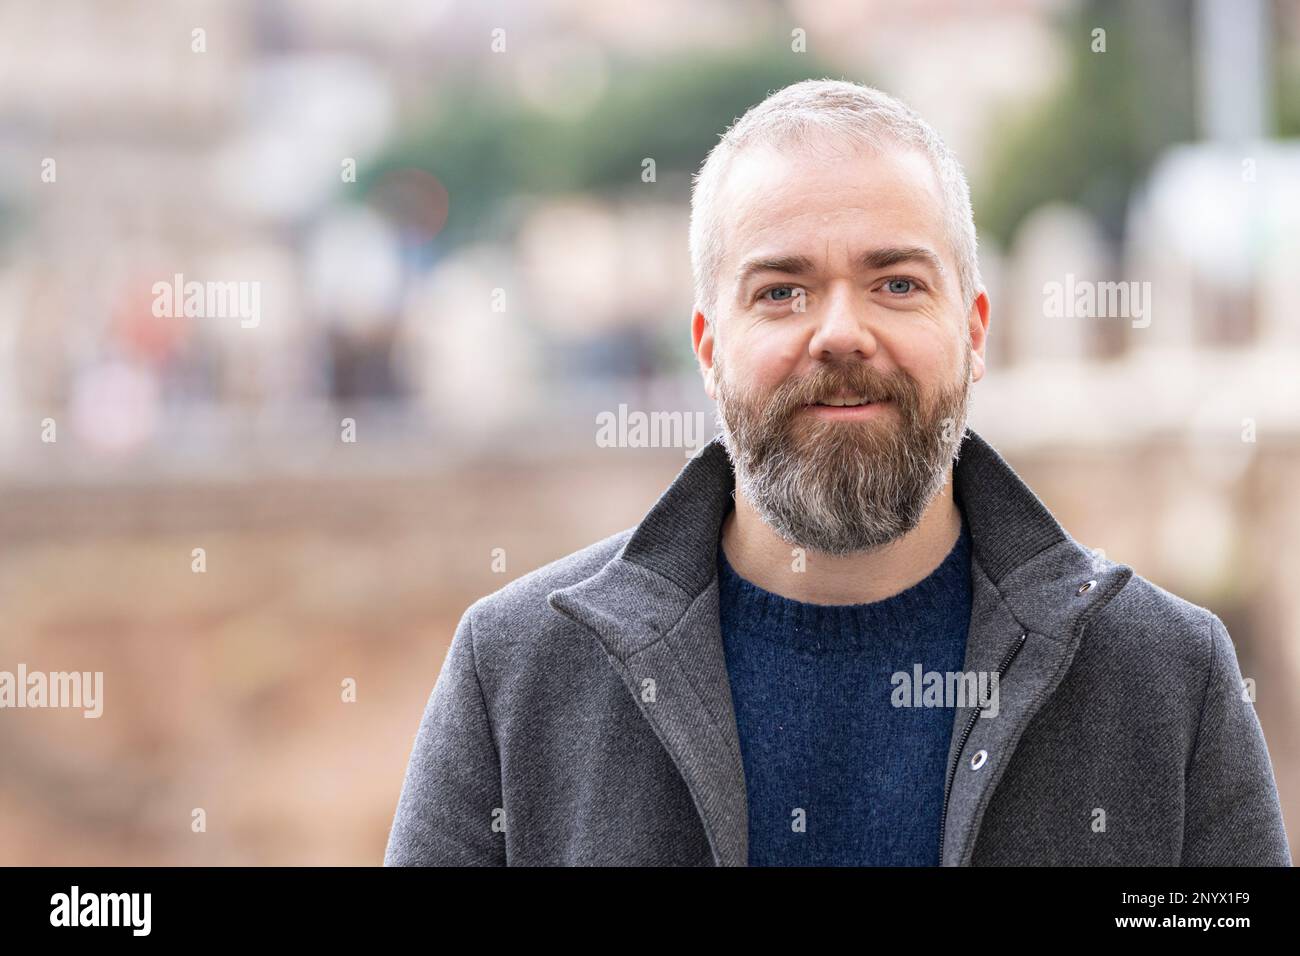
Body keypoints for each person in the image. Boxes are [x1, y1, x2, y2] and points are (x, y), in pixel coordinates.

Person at [384, 79, 1290, 866]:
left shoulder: (1166, 678)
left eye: (896, 283)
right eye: (781, 291)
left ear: (975, 330)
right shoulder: (516, 677)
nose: (841, 331)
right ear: (709, 347)